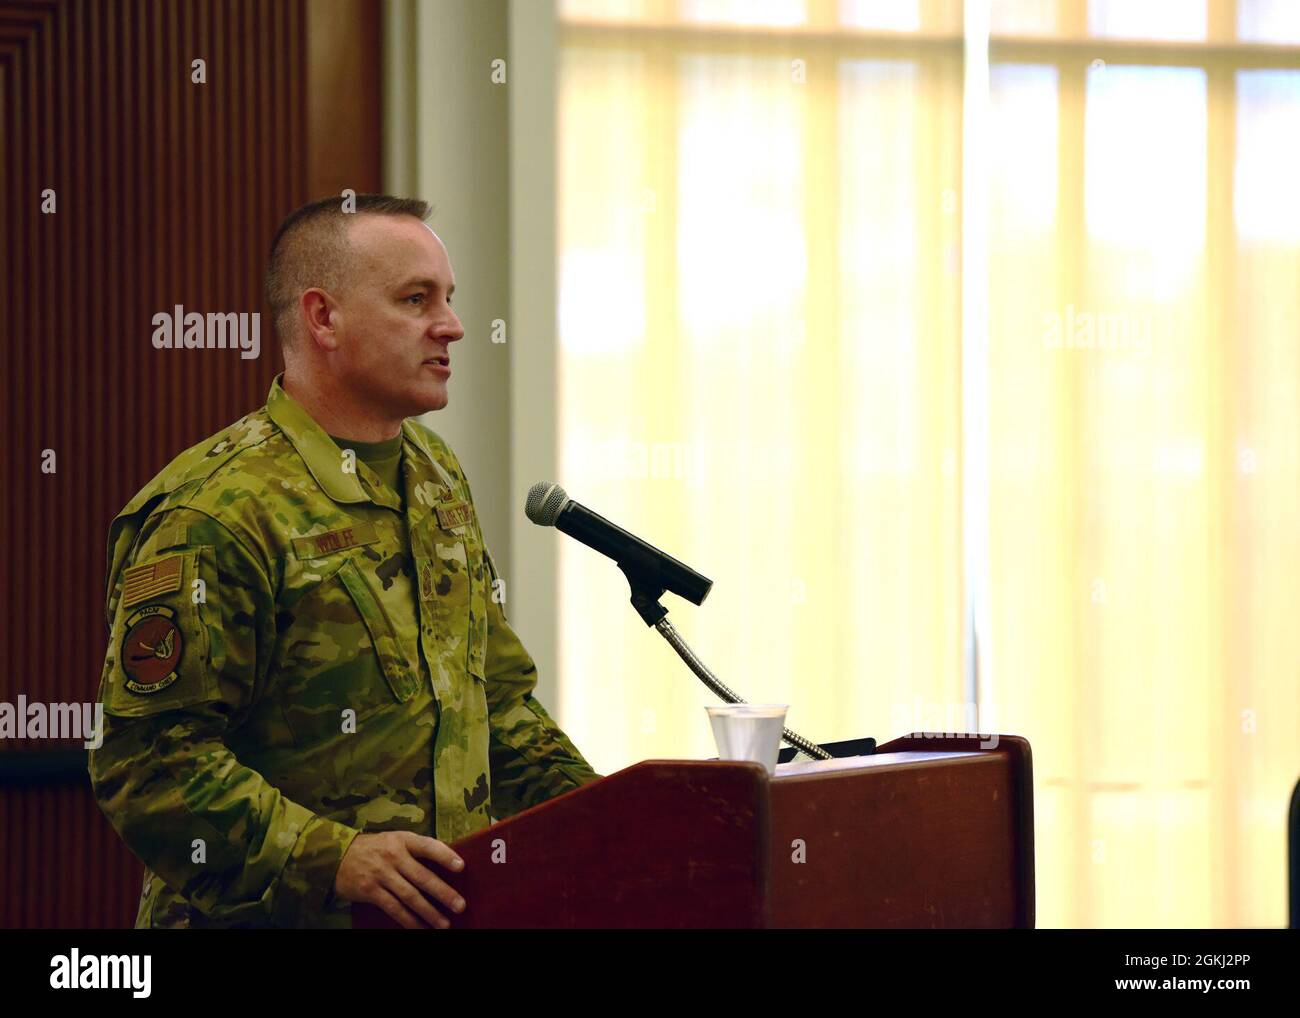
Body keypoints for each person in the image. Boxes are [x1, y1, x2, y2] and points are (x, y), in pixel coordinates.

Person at [89, 194, 602, 929]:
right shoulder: (217, 509)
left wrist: (616, 816)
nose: (452, 325)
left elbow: (497, 706)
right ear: (323, 318)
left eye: (450, 299)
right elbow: (146, 765)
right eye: (415, 299)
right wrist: (335, 859)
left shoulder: (435, 476)